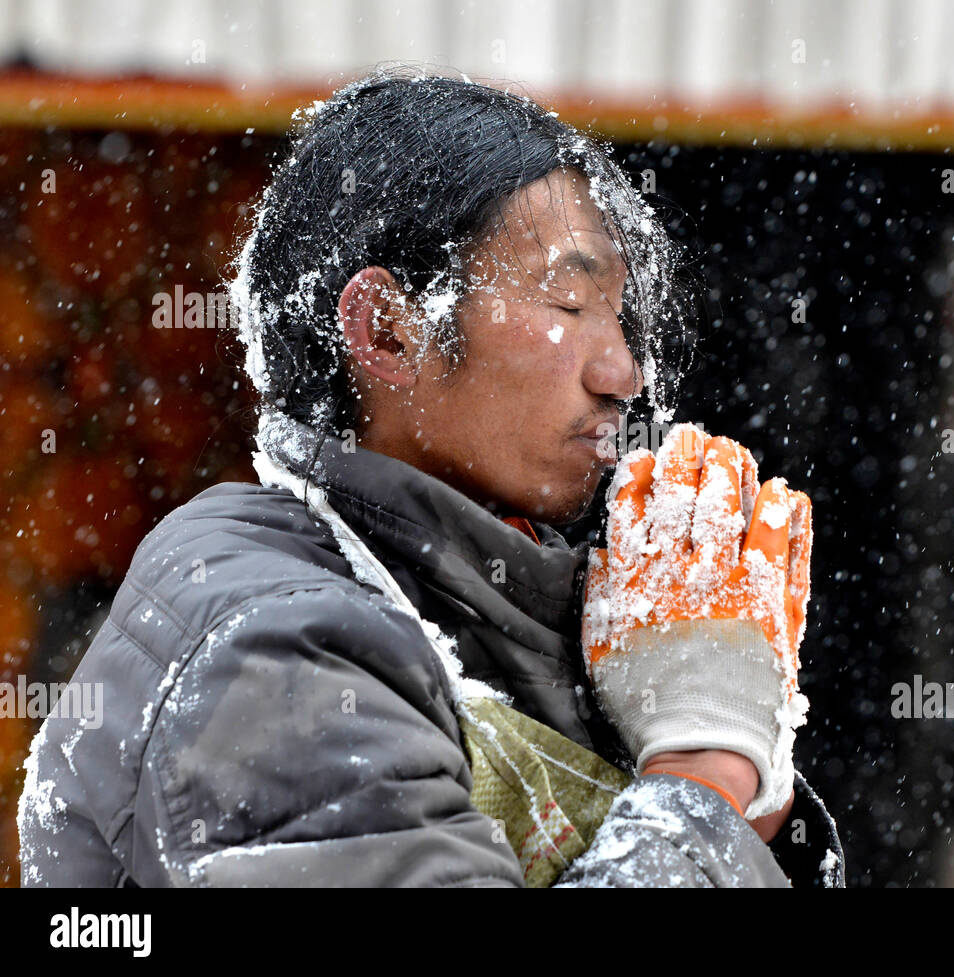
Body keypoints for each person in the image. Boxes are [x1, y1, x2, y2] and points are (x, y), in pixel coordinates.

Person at [18, 68, 843, 887]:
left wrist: (746, 775)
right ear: (386, 332)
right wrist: (701, 776)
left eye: (619, 315)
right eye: (568, 303)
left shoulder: (499, 609)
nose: (622, 371)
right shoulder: (272, 652)